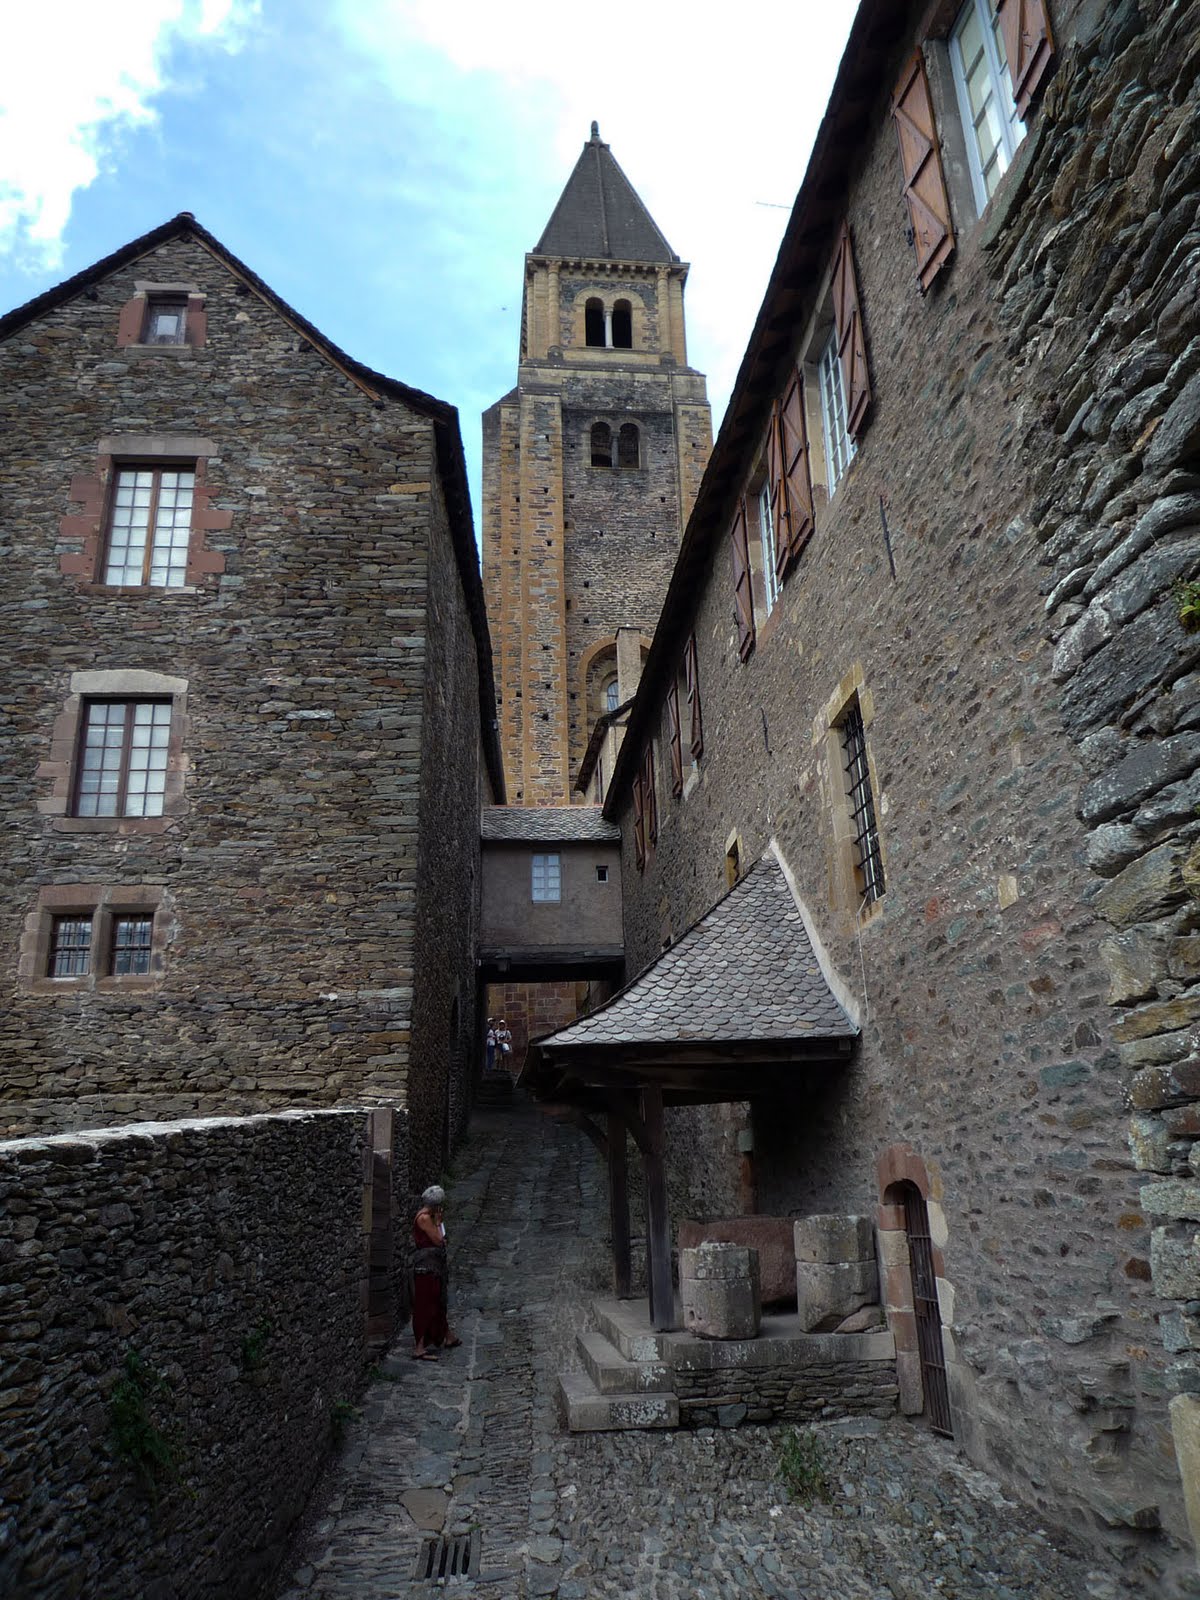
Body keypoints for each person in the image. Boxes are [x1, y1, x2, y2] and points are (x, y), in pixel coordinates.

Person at [411, 1185, 460, 1359]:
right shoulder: (424, 1218)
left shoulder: (429, 1217)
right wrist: (438, 1223)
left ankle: (448, 1336)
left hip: (434, 1267)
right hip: (427, 1268)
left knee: (438, 1302)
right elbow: (439, 1241)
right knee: (426, 1305)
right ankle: (419, 1347)